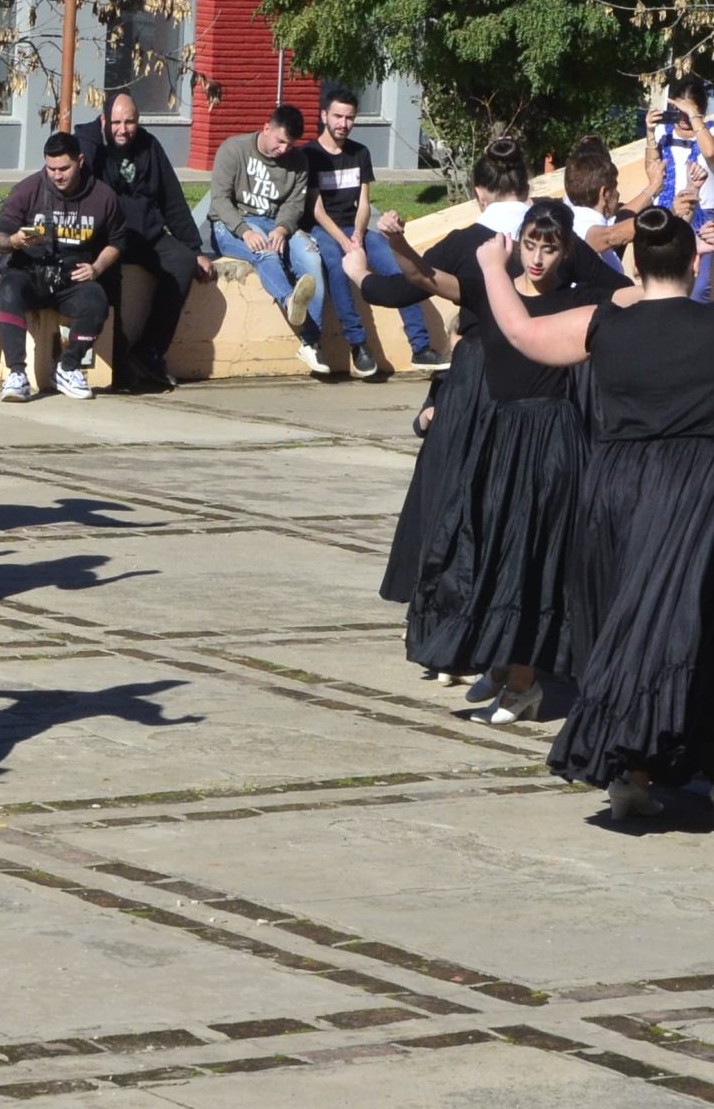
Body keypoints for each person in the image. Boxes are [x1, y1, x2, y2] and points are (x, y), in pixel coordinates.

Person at [477, 211, 714, 823]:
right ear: (691, 265)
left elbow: (522, 332)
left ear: (636, 266)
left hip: (618, 491)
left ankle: (631, 772)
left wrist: (492, 269)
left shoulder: (601, 324)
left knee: (628, 622)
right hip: (707, 491)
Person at [369, 201, 618, 724]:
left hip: (550, 442)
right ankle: (501, 664)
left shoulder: (582, 300)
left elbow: (641, 300)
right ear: (518, 241)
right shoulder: (495, 288)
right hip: (498, 437)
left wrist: (684, 256)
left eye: (550, 249)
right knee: (487, 546)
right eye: (531, 245)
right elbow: (424, 278)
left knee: (533, 556)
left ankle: (525, 681)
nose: (538, 258)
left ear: (564, 251)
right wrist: (395, 242)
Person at [76, 93, 208, 393]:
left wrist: (195, 248)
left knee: (182, 261)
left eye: (131, 122)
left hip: (147, 235)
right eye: (117, 122)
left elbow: (172, 198)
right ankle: (119, 361)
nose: (124, 130)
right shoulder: (89, 145)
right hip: (108, 238)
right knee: (110, 279)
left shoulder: (149, 145)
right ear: (104, 121)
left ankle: (149, 351)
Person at [302, 85, 434, 377]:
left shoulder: (360, 153)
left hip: (355, 228)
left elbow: (364, 202)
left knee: (399, 265)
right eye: (337, 116)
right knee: (337, 267)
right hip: (323, 230)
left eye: (349, 118)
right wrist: (344, 241)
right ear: (324, 115)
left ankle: (421, 346)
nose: (343, 124)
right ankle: (358, 344)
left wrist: (359, 235)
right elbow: (316, 210)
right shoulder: (309, 154)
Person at [0, 133, 121, 404]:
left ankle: (68, 367)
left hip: (72, 277)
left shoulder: (102, 196)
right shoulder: (28, 190)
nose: (57, 176)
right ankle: (17, 374)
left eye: (64, 169)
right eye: (51, 169)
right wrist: (14, 240)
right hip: (30, 272)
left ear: (80, 161)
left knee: (96, 300)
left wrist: (97, 267)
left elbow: (117, 242)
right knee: (9, 288)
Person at [206, 105, 327, 373]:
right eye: (280, 141)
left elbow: (295, 205)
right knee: (265, 252)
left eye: (290, 144)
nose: (283, 149)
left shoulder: (298, 162)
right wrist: (244, 231)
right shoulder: (233, 149)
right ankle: (288, 300)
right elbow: (219, 200)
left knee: (311, 257)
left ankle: (311, 344)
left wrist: (283, 228)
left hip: (275, 224)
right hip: (232, 224)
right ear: (266, 128)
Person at [652, 74, 714, 300]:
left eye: (688, 111)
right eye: (679, 110)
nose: (682, 117)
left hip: (702, 215)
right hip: (667, 212)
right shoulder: (662, 133)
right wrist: (648, 133)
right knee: (661, 278)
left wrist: (695, 118)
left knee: (698, 284)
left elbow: (712, 152)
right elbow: (651, 170)